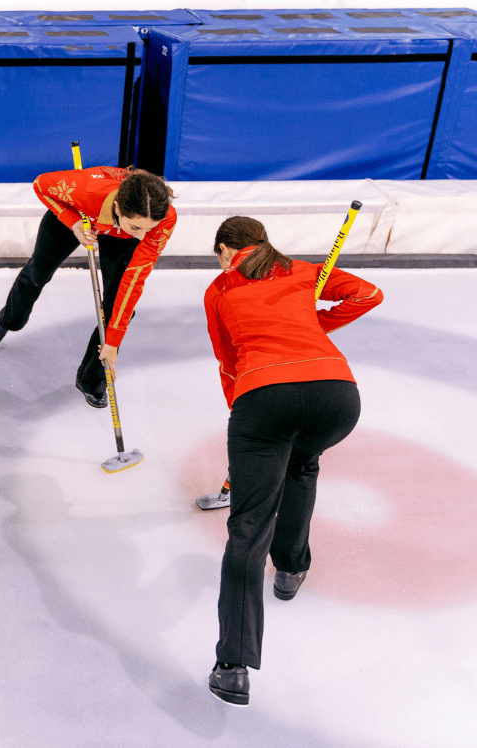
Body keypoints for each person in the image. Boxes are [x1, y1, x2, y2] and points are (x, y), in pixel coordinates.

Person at [203, 217, 383, 707]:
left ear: (224, 250)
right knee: (302, 463)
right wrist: (314, 325)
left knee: (249, 525)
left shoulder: (220, 289)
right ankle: (290, 568)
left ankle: (234, 666)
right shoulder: (307, 272)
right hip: (337, 395)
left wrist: (244, 423)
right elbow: (369, 294)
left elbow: (228, 362)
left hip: (263, 395)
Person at [0, 165, 177, 407]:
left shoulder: (163, 218)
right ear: (117, 207)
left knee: (118, 307)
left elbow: (135, 278)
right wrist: (72, 222)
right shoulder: (85, 190)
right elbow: (40, 184)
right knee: (37, 273)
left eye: (149, 229)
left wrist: (113, 342)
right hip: (81, 214)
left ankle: (91, 380)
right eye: (138, 227)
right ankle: (8, 320)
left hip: (119, 237)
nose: (143, 235)